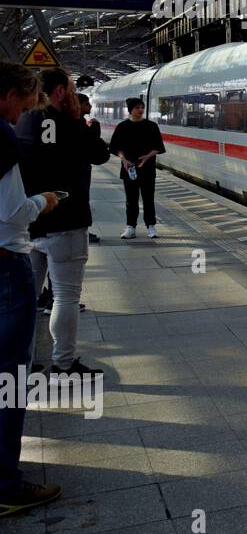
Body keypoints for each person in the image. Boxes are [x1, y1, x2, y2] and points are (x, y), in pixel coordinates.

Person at [18, 68, 111, 377]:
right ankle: (64, 363)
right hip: (66, 221)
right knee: (66, 296)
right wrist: (78, 121)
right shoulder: (69, 123)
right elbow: (100, 154)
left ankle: (25, 361)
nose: (72, 94)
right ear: (58, 92)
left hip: (28, 221)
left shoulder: (22, 120)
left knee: (27, 300)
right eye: (70, 88)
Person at [0, 63, 62, 516]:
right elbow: (14, 212)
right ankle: (6, 484)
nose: (24, 114)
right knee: (9, 376)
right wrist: (45, 200)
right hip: (6, 265)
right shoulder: (1, 135)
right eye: (23, 102)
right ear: (7, 94)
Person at [108, 98, 165, 239]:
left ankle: (151, 226)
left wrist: (147, 157)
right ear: (131, 110)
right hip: (129, 169)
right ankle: (130, 227)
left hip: (148, 168)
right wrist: (124, 159)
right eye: (137, 108)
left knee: (148, 199)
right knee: (131, 200)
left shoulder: (151, 126)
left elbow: (158, 147)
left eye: (142, 107)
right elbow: (115, 148)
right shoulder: (122, 127)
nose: (140, 110)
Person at [78, 94, 101, 245]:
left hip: (81, 168)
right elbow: (94, 148)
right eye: (86, 104)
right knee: (82, 200)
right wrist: (94, 130)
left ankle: (83, 231)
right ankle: (82, 232)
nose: (90, 107)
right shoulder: (78, 123)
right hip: (81, 169)